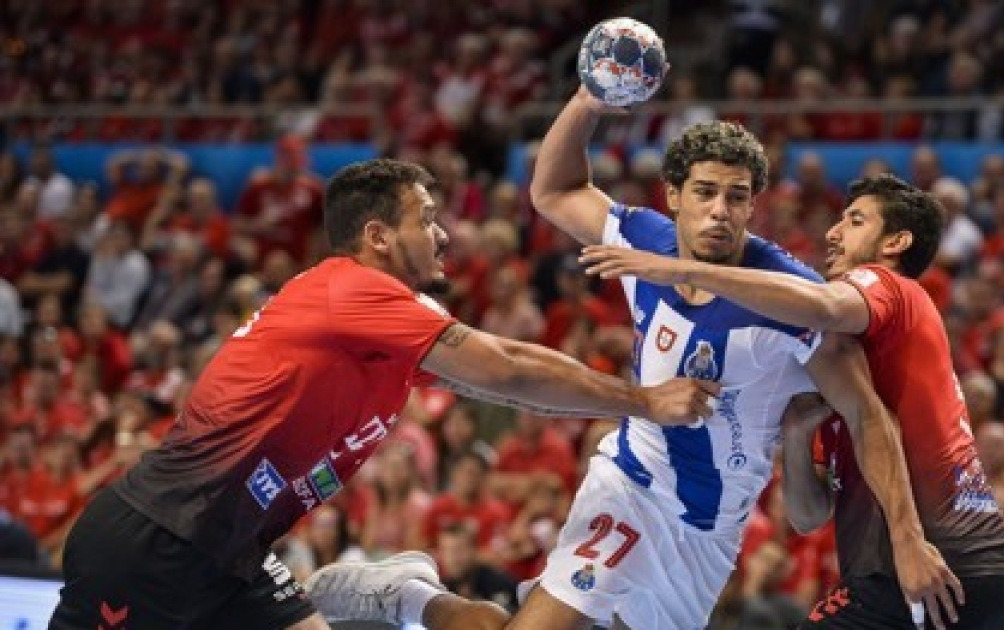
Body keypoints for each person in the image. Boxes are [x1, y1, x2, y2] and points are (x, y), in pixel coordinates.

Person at [307, 88, 957, 629]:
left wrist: (906, 535)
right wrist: (590, 99)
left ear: (753, 206)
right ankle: (406, 597)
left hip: (708, 539)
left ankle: (407, 596)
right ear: (673, 194)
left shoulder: (793, 300)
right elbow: (554, 189)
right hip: (632, 489)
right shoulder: (643, 235)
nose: (719, 211)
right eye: (704, 192)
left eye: (736, 197)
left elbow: (868, 415)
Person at [48, 158, 718, 630]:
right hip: (158, 541)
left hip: (230, 557)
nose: (443, 233)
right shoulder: (354, 290)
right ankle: (404, 598)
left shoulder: (381, 335)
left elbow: (519, 391)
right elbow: (507, 363)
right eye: (426, 218)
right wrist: (643, 401)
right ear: (377, 236)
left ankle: (402, 597)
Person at [580, 172, 1004, 628]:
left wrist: (684, 269)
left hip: (928, 565)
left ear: (896, 241)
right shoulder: (841, 368)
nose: (833, 233)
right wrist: (795, 436)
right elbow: (808, 517)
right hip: (982, 572)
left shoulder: (889, 284)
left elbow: (823, 304)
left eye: (854, 221)